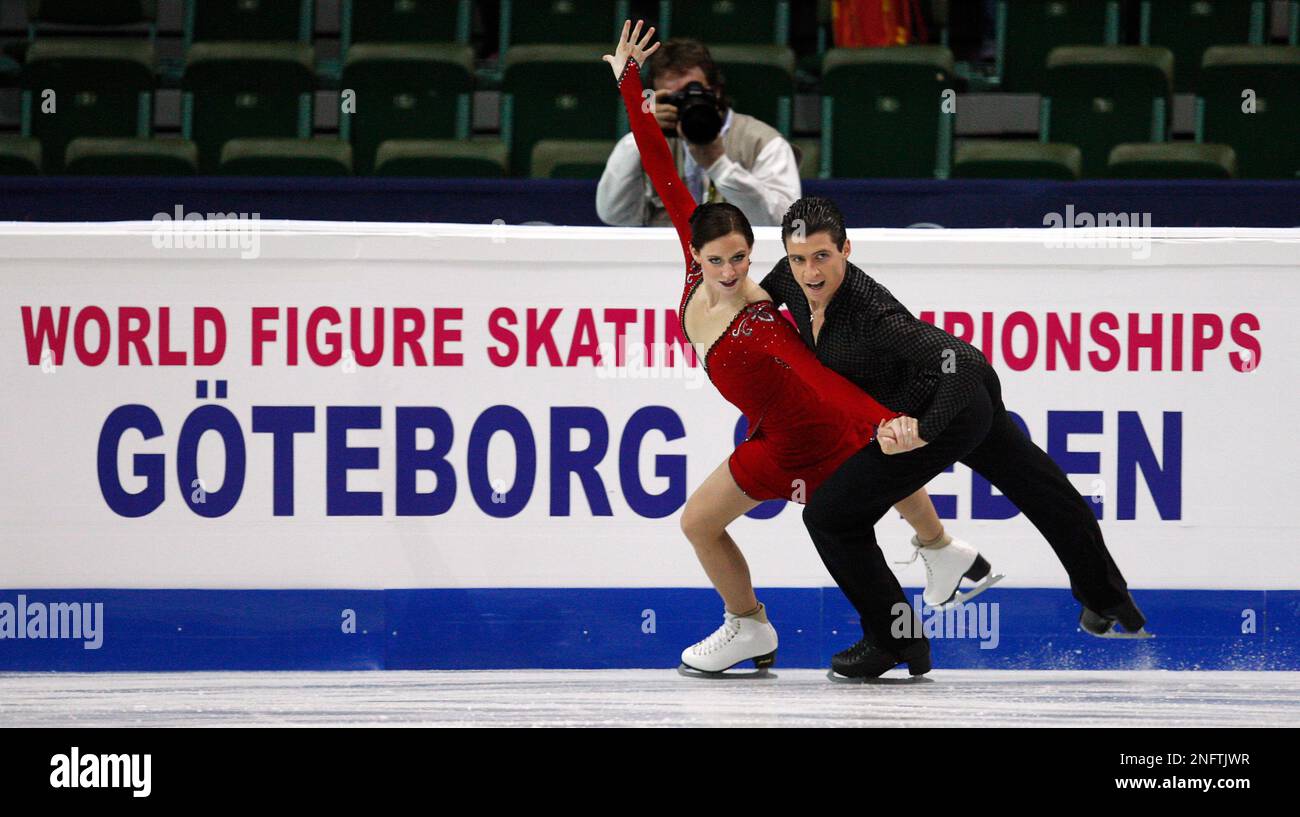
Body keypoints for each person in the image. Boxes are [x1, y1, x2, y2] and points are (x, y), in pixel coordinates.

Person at [602, 21, 996, 678]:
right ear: (694, 252)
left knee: (727, 517)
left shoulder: (760, 303)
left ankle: (755, 624)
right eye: (717, 258)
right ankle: (934, 560)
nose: (730, 270)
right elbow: (662, 167)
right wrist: (627, 83)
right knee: (825, 474)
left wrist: (883, 408)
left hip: (793, 437)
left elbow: (813, 372)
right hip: (792, 426)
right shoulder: (702, 264)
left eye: (740, 258)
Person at [759, 196, 1150, 678]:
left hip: (947, 409)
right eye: (799, 258)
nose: (810, 272)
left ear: (846, 250)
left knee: (831, 516)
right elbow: (752, 298)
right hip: (960, 405)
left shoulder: (871, 314)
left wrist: (922, 431)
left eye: (822, 257)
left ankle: (893, 641)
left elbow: (964, 361)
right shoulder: (789, 280)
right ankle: (1110, 602)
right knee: (1042, 488)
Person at [596, 37, 800, 229]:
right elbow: (615, 215)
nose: (685, 104)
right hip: (665, 258)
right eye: (673, 98)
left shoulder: (762, 141)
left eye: (692, 93)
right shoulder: (645, 143)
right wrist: (642, 132)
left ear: (716, 91)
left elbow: (783, 222)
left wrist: (720, 166)